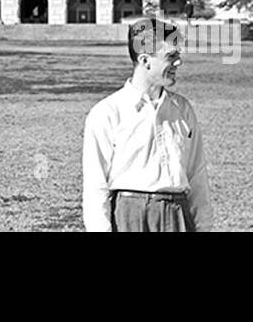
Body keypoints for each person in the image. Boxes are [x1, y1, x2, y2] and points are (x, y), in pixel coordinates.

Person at [82, 18, 212, 231]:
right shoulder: (107, 113)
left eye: (178, 55)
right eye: (171, 56)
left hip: (177, 216)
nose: (178, 62)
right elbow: (96, 187)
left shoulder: (183, 110)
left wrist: (203, 226)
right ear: (145, 60)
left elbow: (197, 176)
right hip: (130, 218)